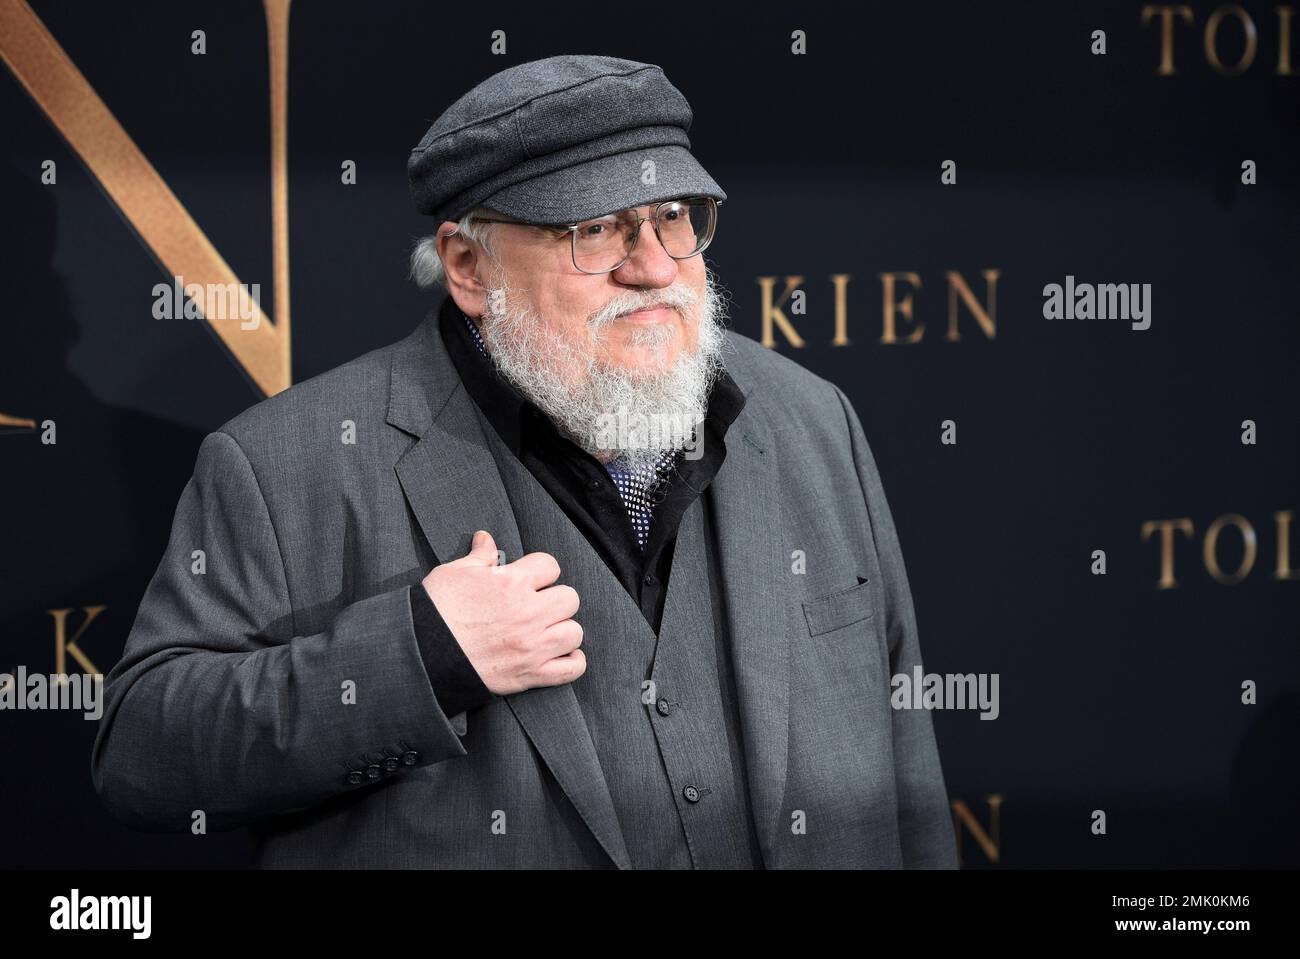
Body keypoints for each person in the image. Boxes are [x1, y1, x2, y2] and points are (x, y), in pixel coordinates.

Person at [91, 54, 958, 869]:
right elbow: (143, 755)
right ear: (469, 266)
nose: (654, 266)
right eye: (595, 229)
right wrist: (422, 656)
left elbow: (907, 773)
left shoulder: (812, 420)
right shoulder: (282, 465)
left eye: (673, 218)